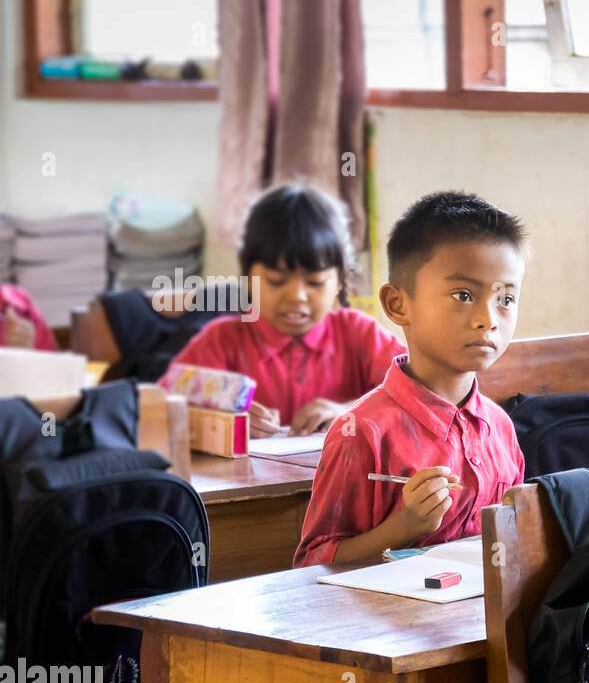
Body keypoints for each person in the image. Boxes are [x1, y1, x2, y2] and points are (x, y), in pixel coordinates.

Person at [294, 191, 527, 567]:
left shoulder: (499, 428)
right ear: (397, 304)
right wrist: (403, 526)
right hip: (385, 622)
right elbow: (309, 565)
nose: (489, 318)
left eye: (506, 299)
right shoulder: (362, 432)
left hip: (480, 620)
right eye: (463, 295)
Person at [171, 183, 405, 436]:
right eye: (276, 281)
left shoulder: (360, 334)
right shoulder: (221, 342)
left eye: (315, 282)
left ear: (339, 281)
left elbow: (421, 391)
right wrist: (217, 422)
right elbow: (160, 412)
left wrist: (352, 411)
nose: (296, 296)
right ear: (249, 278)